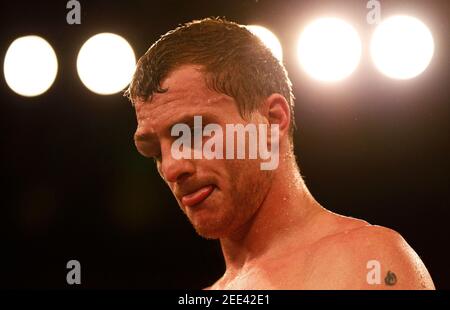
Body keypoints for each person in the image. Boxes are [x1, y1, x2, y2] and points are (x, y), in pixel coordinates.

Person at [124, 17, 434, 289]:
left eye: (193, 132)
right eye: (155, 151)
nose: (171, 167)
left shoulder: (367, 262)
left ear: (272, 120)